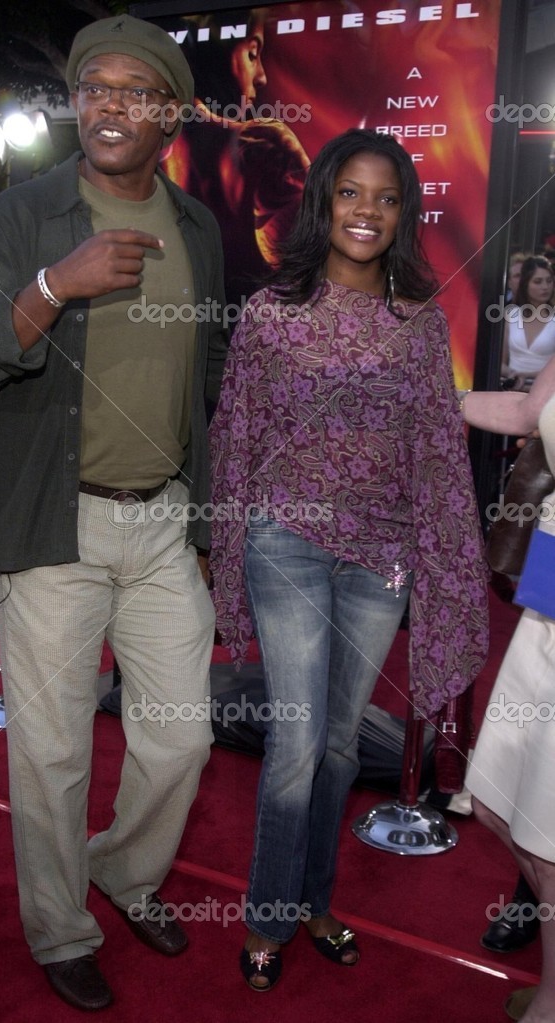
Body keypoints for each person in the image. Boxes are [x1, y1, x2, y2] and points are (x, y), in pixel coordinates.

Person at [0, 14, 228, 1013]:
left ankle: (123, 870)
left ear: (171, 116)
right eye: (92, 87)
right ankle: (60, 926)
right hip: (55, 525)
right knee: (52, 751)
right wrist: (55, 286)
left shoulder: (198, 229)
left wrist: (203, 524)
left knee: (181, 741)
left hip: (163, 524)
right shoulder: (25, 213)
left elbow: (208, 375)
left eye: (135, 91)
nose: (108, 105)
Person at [209, 127, 489, 991]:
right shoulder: (270, 314)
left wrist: (443, 560)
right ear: (322, 200)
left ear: (403, 214)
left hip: (380, 556)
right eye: (350, 193)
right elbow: (235, 433)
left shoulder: (419, 324)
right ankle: (267, 914)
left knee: (337, 745)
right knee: (296, 740)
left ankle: (314, 901)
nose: (366, 211)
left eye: (386, 198)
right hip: (286, 543)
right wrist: (227, 544)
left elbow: (435, 449)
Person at [462, 357, 555, 1023]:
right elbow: (526, 414)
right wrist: (427, 388)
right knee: (505, 801)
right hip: (548, 580)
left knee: (545, 827)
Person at [161, 8, 310, 309]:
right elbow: (308, 273)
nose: (261, 76)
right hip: (256, 329)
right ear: (214, 53)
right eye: (252, 54)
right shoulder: (266, 147)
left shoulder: (136, 152)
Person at [502, 255, 555, 392]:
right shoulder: (511, 315)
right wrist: (512, 375)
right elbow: (500, 363)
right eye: (538, 282)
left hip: (547, 392)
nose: (545, 287)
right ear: (525, 284)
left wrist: (526, 375)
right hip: (512, 390)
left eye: (549, 281)